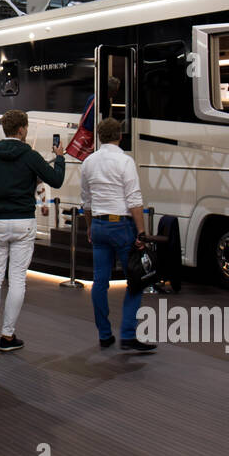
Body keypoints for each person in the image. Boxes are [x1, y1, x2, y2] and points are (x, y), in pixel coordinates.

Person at [0, 110, 65, 353]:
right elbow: (55, 180)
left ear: (5, 129)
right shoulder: (30, 155)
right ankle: (8, 336)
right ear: (22, 129)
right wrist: (60, 157)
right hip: (24, 222)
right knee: (17, 279)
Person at [80, 117, 155, 353]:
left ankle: (104, 335)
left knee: (99, 282)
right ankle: (128, 334)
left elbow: (87, 202)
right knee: (135, 279)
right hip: (121, 226)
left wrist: (90, 226)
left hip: (100, 225)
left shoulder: (88, 162)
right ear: (120, 136)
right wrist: (141, 232)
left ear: (100, 136)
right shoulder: (125, 161)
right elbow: (134, 200)